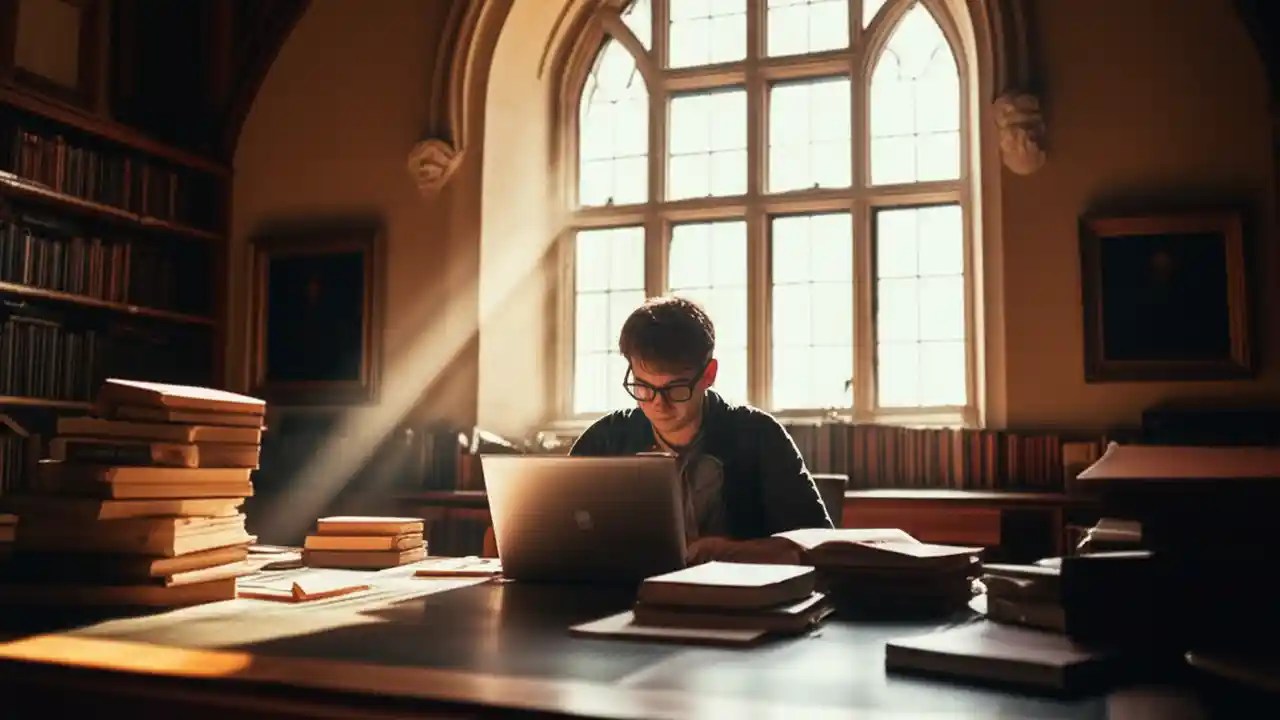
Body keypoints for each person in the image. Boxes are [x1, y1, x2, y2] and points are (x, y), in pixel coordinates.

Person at [570, 296, 834, 565]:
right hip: (624, 600)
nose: (658, 403)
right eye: (643, 387)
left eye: (675, 389)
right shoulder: (603, 442)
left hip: (739, 600)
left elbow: (819, 547)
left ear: (709, 374)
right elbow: (560, 539)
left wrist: (729, 553)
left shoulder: (759, 437)